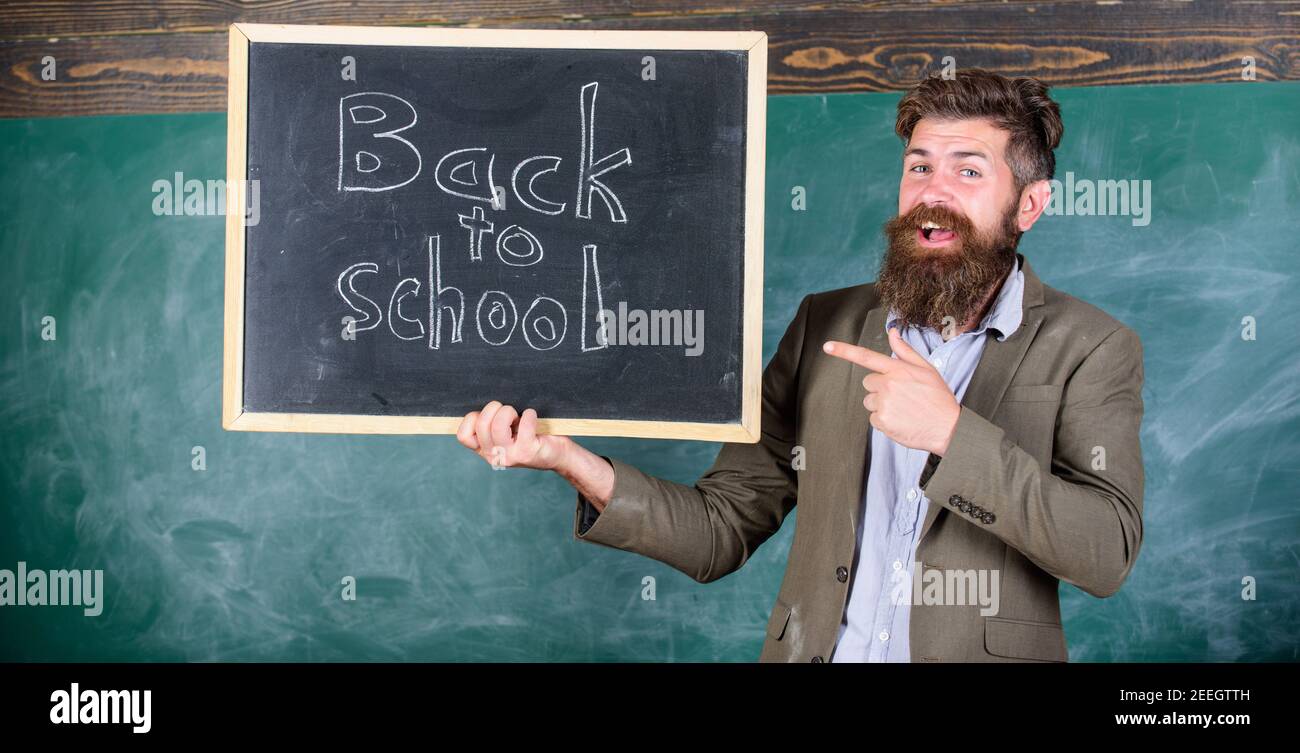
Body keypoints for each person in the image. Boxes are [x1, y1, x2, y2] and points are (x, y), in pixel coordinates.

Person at [456, 68, 1144, 662]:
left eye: (969, 169)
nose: (934, 192)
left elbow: (1106, 550)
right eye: (920, 166)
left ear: (1029, 203)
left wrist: (953, 434)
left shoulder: (1091, 346)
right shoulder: (828, 325)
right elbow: (720, 528)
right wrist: (572, 460)